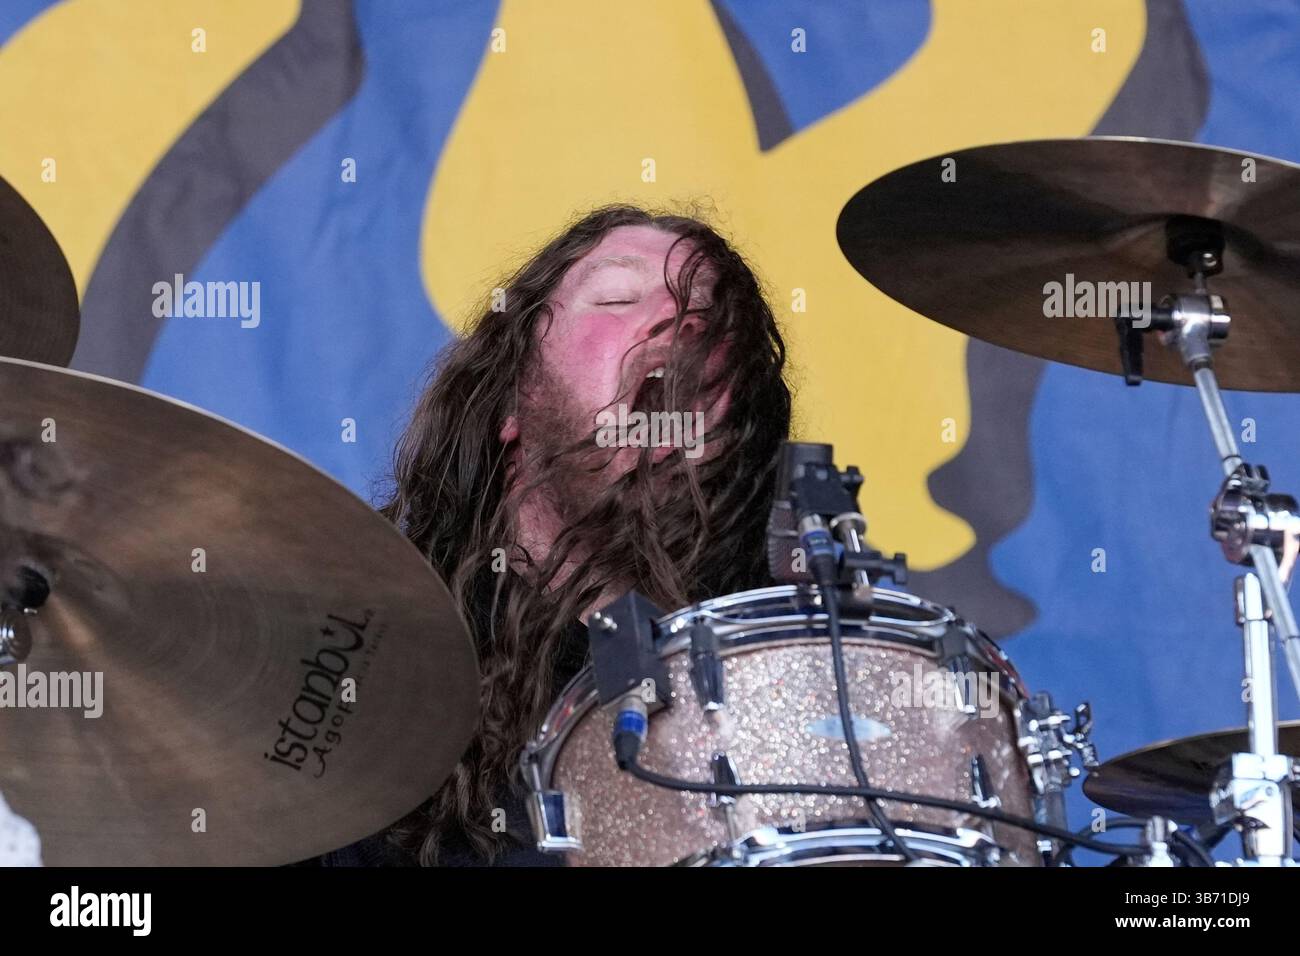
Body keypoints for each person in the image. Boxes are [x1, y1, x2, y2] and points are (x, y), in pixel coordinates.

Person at [317, 203, 791, 866]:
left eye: (710, 318)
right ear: (512, 403)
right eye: (618, 297)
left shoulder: (790, 681)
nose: (681, 320)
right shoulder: (357, 681)